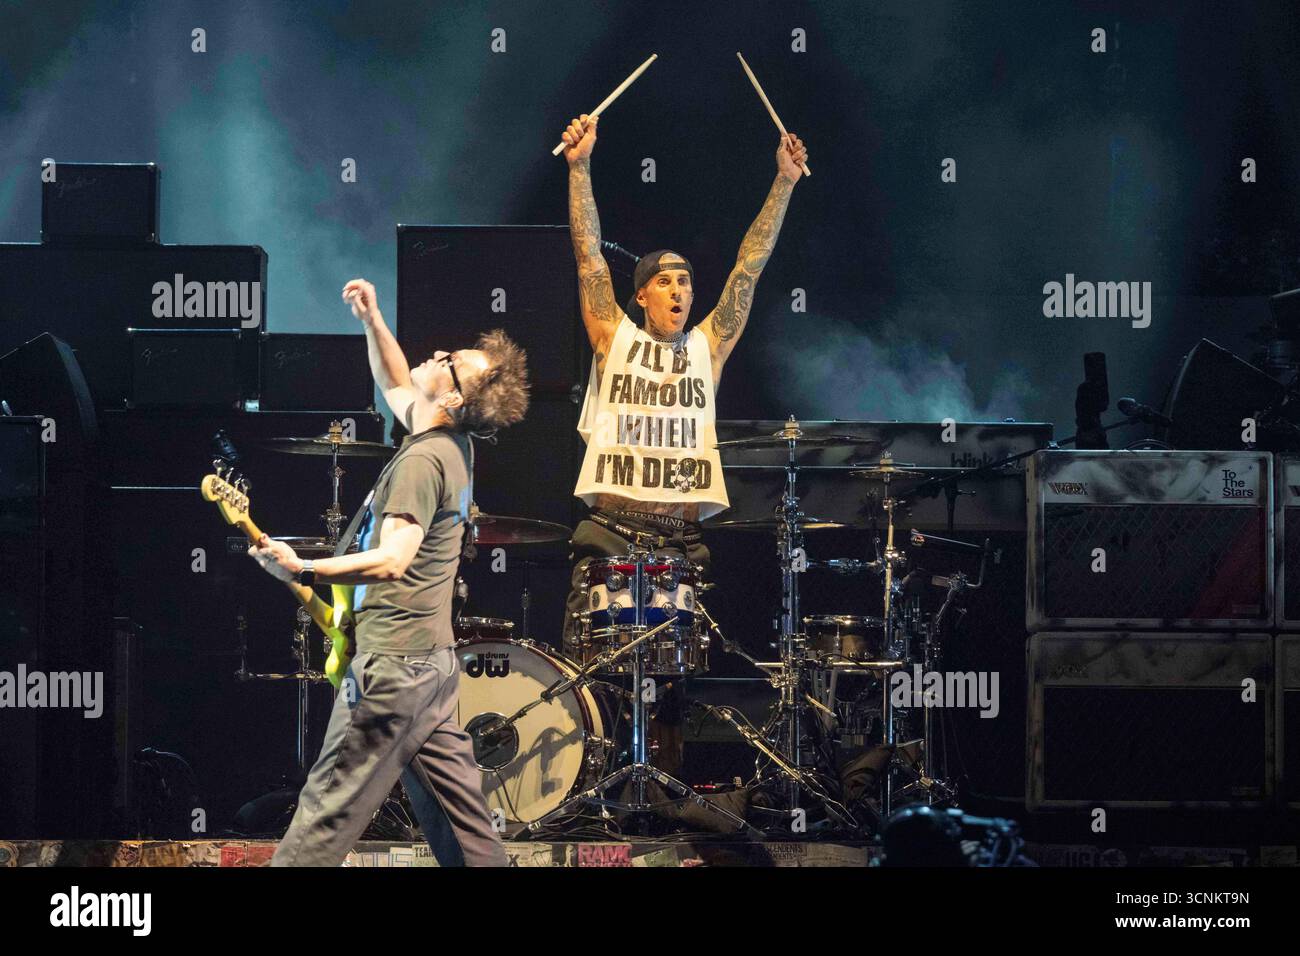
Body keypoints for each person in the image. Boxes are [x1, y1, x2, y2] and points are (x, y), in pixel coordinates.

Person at [247, 278, 529, 866]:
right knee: (466, 834)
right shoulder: (446, 440)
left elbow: (396, 559)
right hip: (431, 665)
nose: (439, 354)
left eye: (451, 362)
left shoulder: (423, 462)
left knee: (326, 812)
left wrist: (305, 567)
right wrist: (374, 321)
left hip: (393, 671)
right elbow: (396, 381)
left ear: (451, 399)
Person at [559, 112, 809, 772]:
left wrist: (783, 182)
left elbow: (748, 269)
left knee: (669, 689)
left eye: (687, 280)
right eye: (666, 280)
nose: (681, 289)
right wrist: (581, 168)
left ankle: (661, 798)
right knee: (598, 679)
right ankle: (591, 791)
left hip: (678, 537)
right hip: (613, 527)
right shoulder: (616, 338)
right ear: (641, 295)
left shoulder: (706, 347)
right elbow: (589, 256)